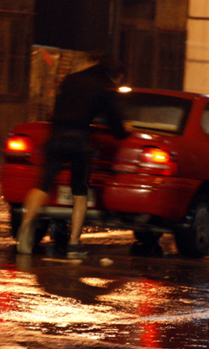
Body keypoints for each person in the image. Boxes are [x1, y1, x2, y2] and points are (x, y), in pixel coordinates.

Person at [16, 52, 128, 258]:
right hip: (80, 140)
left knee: (42, 184)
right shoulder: (105, 88)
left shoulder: (71, 79)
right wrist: (124, 129)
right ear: (116, 74)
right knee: (80, 192)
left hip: (56, 135)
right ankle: (74, 244)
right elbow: (116, 125)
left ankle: (25, 226)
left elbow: (59, 107)